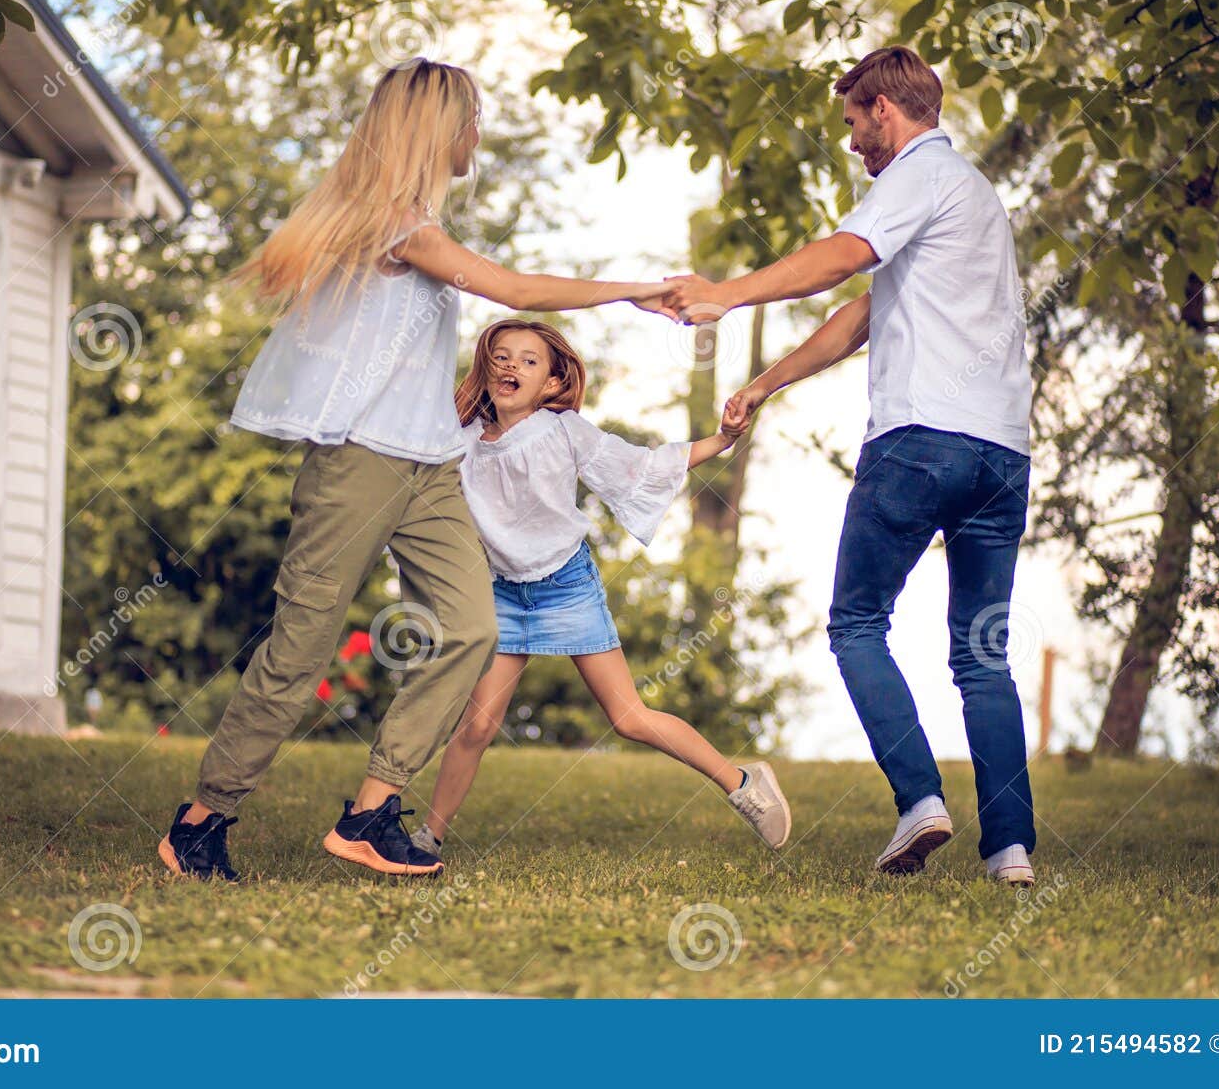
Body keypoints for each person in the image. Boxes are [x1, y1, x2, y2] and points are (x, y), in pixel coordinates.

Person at [159, 59, 678, 880]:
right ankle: (201, 819)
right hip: (359, 466)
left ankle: (372, 810)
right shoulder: (396, 226)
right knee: (300, 651)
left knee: (474, 627)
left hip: (430, 465)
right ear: (439, 127)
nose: (479, 132)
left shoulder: (410, 224)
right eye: (473, 116)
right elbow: (508, 284)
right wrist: (634, 290)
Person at [666, 45, 1037, 886]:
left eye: (854, 124)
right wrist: (764, 382)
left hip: (918, 440)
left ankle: (920, 799)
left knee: (856, 622)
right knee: (983, 653)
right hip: (1002, 452)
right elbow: (864, 312)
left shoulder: (913, 174)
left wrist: (727, 292)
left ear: (884, 107)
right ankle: (1010, 849)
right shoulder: (977, 199)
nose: (852, 143)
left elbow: (842, 256)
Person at [408, 319, 791, 857]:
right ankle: (428, 839)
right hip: (502, 592)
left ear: (552, 383)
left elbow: (640, 466)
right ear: (485, 368)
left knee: (629, 717)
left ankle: (743, 784)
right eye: (500, 356)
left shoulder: (563, 431)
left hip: (566, 586)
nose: (510, 365)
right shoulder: (461, 444)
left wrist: (723, 440)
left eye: (528, 360)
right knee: (476, 727)